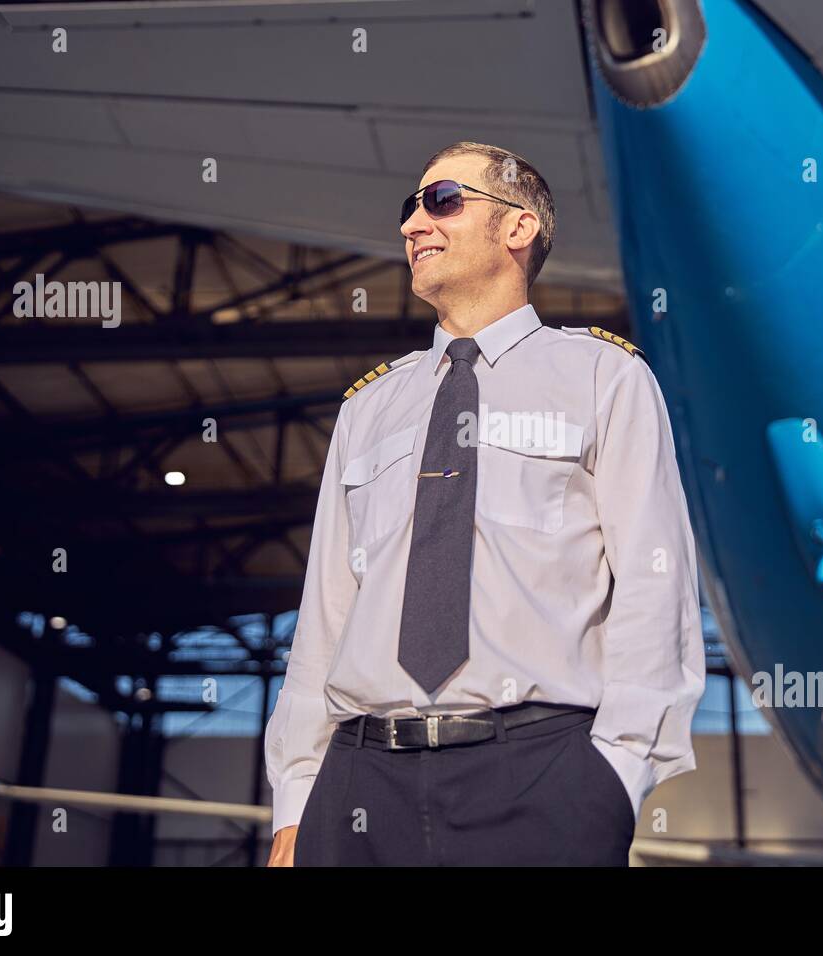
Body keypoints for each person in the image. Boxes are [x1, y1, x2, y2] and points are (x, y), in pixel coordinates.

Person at [265, 141, 705, 866]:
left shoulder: (604, 379)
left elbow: (655, 590)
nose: (413, 224)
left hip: (540, 775)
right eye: (410, 208)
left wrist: (615, 778)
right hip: (358, 784)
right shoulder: (368, 408)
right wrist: (298, 797)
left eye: (441, 200)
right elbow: (324, 619)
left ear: (518, 227)